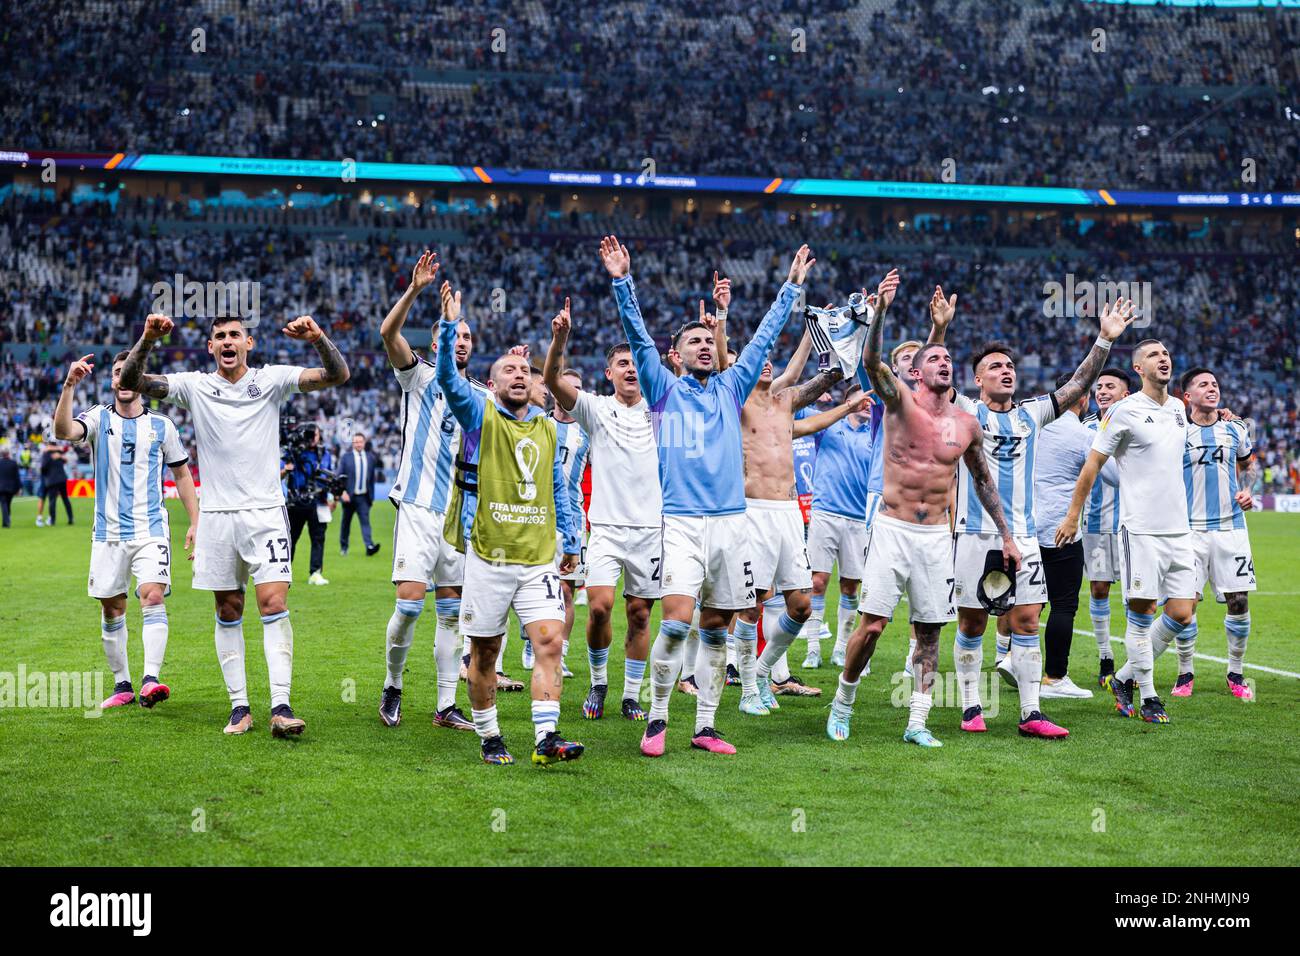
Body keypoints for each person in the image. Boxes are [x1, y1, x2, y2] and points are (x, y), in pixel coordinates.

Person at [601, 234, 813, 758]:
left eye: (707, 340)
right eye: (692, 342)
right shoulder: (662, 388)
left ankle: (706, 725)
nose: (702, 346)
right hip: (680, 524)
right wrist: (622, 280)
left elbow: (763, 341)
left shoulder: (731, 387)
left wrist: (789, 288)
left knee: (717, 626)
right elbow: (636, 331)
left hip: (732, 524)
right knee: (675, 621)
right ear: (676, 354)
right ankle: (656, 718)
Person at [119, 310, 350, 737]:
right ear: (210, 347)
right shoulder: (195, 385)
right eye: (220, 336)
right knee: (229, 609)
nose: (227, 341)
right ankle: (239, 706)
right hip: (218, 517)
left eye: (235, 335)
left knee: (273, 604)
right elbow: (132, 382)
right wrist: (148, 337)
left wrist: (317, 336)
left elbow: (337, 374)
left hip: (264, 513)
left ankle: (281, 704)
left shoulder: (272, 379)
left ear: (248, 343)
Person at [829, 270, 1020, 748]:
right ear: (915, 372)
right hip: (892, 529)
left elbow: (981, 479)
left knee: (929, 633)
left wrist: (1007, 534)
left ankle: (917, 721)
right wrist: (880, 314)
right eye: (934, 357)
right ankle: (842, 702)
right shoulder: (899, 403)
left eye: (948, 357)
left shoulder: (966, 422)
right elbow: (872, 361)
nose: (944, 362)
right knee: (872, 625)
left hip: (938, 536)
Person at [945, 297, 1136, 739]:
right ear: (978, 379)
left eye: (1009, 365)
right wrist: (940, 331)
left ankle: (1031, 713)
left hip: (1026, 538)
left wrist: (1104, 339)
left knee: (1028, 620)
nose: (1005, 370)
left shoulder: (1034, 413)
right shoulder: (967, 411)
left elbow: (1078, 384)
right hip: (975, 534)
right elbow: (933, 385)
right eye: (994, 366)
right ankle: (972, 705)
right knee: (972, 623)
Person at [436, 281, 583, 766]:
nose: (519, 376)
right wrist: (448, 326)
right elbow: (448, 382)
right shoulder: (479, 417)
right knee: (485, 654)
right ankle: (490, 736)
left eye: (525, 371)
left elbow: (558, 488)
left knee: (550, 640)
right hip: (490, 558)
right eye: (508, 371)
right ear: (493, 384)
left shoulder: (547, 425)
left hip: (538, 557)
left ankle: (545, 738)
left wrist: (571, 538)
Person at [1055, 339, 1198, 726]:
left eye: (1167, 353)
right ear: (1138, 368)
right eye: (1154, 355)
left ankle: (1122, 678)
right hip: (1140, 530)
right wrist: (1073, 515)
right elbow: (1092, 465)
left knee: (1182, 613)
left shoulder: (1178, 409)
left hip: (1179, 531)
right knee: (1142, 612)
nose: (1164, 358)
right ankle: (1149, 695)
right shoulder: (1124, 411)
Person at [53, 350, 200, 709]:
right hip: (108, 533)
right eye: (118, 373)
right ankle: (123, 685)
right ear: (112, 380)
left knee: (152, 595)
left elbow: (182, 474)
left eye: (129, 372)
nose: (122, 378)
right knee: (112, 608)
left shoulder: (162, 425)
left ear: (141, 379)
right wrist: (70, 384)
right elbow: (62, 431)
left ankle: (151, 679)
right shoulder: (99, 419)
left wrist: (197, 521)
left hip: (150, 529)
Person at [377, 249, 480, 730]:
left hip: (457, 514)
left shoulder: (479, 395)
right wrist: (417, 289)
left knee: (452, 612)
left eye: (464, 336)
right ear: (437, 340)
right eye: (450, 333)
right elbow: (387, 334)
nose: (459, 340)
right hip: (417, 506)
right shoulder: (419, 376)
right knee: (409, 605)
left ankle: (443, 705)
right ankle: (393, 686)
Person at [545, 305, 662, 722]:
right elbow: (552, 381)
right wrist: (560, 340)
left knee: (640, 613)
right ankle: (598, 682)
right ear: (608, 373)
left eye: (635, 363)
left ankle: (631, 694)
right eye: (622, 364)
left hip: (651, 530)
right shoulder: (595, 408)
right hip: (608, 530)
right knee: (599, 607)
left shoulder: (661, 411)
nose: (630, 369)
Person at [733, 327, 846, 716]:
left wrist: (811, 331)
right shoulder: (739, 400)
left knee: (801, 606)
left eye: (770, 357)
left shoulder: (784, 402)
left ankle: (764, 674)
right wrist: (722, 319)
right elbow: (725, 363)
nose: (765, 362)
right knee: (752, 606)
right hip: (753, 513)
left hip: (788, 514)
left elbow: (801, 375)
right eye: (757, 357)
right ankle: (748, 689)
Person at [1032, 371, 1119, 700]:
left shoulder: (1032, 426)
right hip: (1062, 528)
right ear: (1082, 399)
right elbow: (1113, 477)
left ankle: (1010, 658)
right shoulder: (1084, 435)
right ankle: (1055, 677)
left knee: (1027, 601)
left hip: (1026, 525)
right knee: (1063, 605)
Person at [1174, 368, 1258, 700]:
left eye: (1215, 384)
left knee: (1238, 601)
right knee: (1186, 604)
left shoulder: (1235, 428)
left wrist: (1248, 489)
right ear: (1187, 396)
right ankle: (1185, 673)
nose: (1212, 388)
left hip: (1231, 528)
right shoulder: (1177, 433)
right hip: (1189, 531)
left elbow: (1249, 464)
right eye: (1203, 384)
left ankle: (1235, 673)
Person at [803, 383, 882, 670]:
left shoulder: (876, 433)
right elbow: (791, 405)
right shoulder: (828, 427)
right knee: (817, 582)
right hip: (825, 512)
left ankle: (840, 648)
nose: (866, 403)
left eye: (869, 399)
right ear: (847, 400)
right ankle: (812, 648)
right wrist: (815, 393)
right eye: (860, 398)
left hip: (858, 519)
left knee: (850, 587)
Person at [1082, 369, 1133, 686]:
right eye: (1099, 386)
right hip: (1097, 524)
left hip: (1131, 523)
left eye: (1110, 386)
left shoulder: (1136, 424)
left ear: (1125, 395)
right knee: (1099, 588)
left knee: (1134, 595)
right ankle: (1105, 657)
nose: (1102, 391)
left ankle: (1132, 663)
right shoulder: (1085, 428)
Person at [282, 423, 334, 585]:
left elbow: (329, 475)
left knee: (318, 537)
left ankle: (315, 573)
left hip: (319, 501)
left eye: (316, 434)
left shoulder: (324, 453)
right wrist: (286, 469)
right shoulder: (294, 452)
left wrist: (332, 496)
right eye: (311, 434)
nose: (314, 437)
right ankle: (284, 572)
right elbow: (278, 473)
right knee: (291, 538)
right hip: (296, 500)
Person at [339, 431, 381, 557]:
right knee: (346, 523)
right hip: (349, 497)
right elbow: (339, 477)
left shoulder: (370, 458)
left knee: (365, 523)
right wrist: (342, 493)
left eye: (360, 442)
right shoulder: (346, 457)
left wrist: (371, 497)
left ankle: (369, 546)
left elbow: (372, 479)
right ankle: (344, 547)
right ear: (352, 443)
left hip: (363, 497)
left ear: (364, 443)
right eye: (355, 442)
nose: (358, 444)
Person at [40, 443, 73, 526]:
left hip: (52, 480)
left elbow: (43, 467)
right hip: (62, 478)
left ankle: (52, 520)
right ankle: (71, 518)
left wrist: (45, 474)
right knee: (65, 499)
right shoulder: (59, 452)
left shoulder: (46, 454)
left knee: (52, 501)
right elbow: (65, 460)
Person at [0, 447, 18, 528]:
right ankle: (7, 521)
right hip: (11, 488)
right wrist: (18, 488)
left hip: (1, 487)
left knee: (4, 504)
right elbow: (17, 477)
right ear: (8, 454)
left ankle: (6, 522)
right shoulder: (13, 463)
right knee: (7, 504)